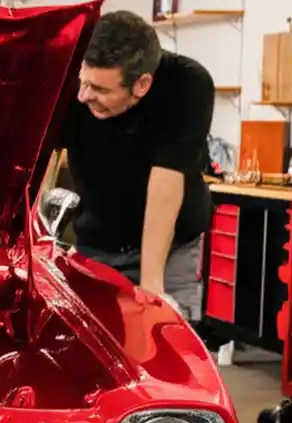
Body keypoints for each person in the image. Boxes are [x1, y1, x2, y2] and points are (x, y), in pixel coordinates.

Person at [52, 10, 215, 321]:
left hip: (170, 248)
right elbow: (38, 160)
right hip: (98, 243)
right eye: (84, 82)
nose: (84, 96)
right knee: (95, 339)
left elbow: (166, 182)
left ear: (142, 85)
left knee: (162, 337)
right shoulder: (69, 78)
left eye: (100, 90)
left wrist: (151, 285)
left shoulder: (187, 83)